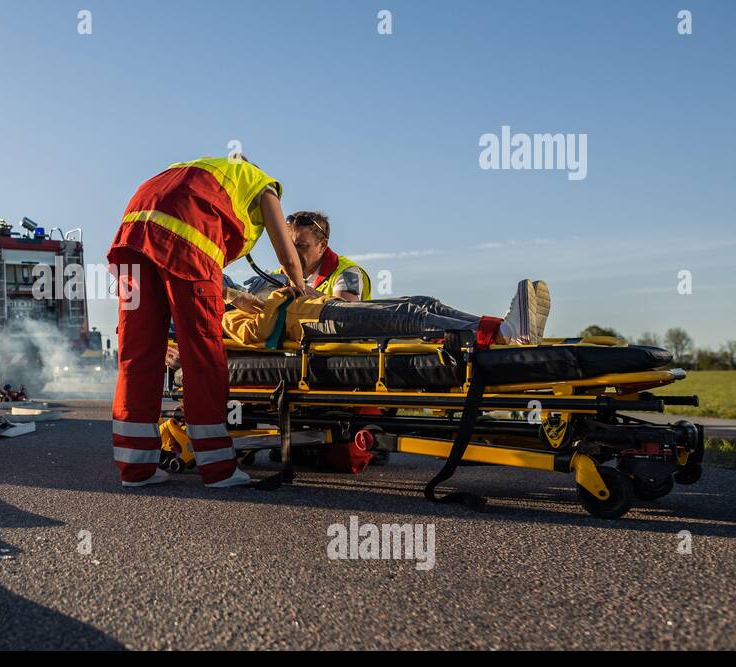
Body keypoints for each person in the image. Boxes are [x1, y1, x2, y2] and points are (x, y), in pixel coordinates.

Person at [109, 154, 309, 490]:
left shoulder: (202, 172)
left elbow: (183, 259)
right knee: (203, 353)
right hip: (185, 240)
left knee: (138, 353)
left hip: (132, 239)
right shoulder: (263, 185)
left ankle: (135, 468)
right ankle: (219, 469)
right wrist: (300, 289)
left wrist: (235, 297)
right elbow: (287, 253)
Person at [220, 279, 552, 347]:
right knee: (406, 317)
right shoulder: (223, 316)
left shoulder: (241, 296)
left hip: (321, 308)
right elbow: (258, 334)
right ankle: (501, 335)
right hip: (314, 323)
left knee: (423, 301)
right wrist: (282, 294)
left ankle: (501, 329)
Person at [241, 210, 369, 302]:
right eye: (289, 246)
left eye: (301, 246)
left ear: (322, 245)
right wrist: (236, 293)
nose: (293, 252)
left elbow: (346, 313)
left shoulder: (347, 272)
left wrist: (294, 287)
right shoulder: (279, 275)